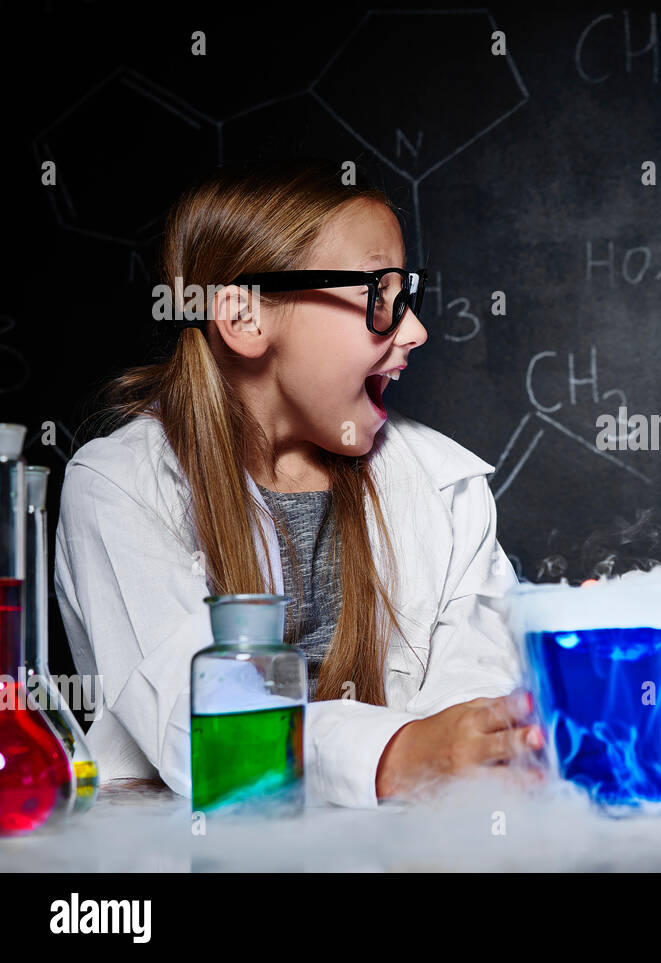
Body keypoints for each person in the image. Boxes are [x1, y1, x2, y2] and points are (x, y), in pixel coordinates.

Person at [53, 159, 539, 809]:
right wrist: (400, 752)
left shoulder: (445, 487)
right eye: (377, 295)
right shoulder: (120, 488)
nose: (415, 330)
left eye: (406, 297)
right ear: (247, 318)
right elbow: (214, 734)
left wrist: (460, 742)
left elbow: (477, 702)